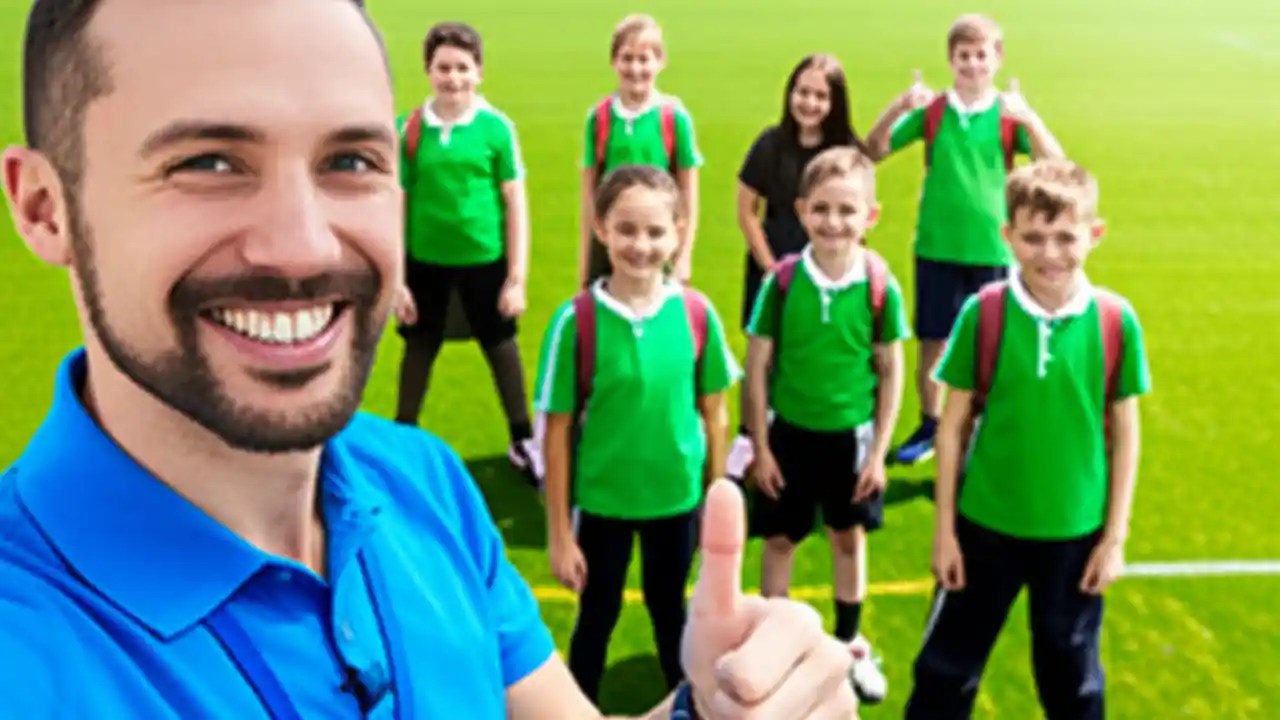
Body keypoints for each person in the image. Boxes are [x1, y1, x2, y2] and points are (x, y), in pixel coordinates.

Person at [0, 1, 862, 718]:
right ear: (46, 207)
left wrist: (705, 714)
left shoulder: (424, 483)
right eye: (209, 161)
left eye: (350, 160)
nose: (302, 246)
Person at [903, 159, 1152, 719]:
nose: (1050, 253)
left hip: (1076, 535)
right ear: (1008, 237)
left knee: (1074, 684)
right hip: (983, 527)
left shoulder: (1115, 321)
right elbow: (952, 427)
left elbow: (1125, 433)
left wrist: (1115, 536)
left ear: (1094, 234)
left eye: (1066, 237)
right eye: (1033, 238)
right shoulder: (985, 313)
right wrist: (944, 531)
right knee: (945, 672)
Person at [536, 165, 738, 704]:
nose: (640, 245)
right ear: (601, 228)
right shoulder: (576, 321)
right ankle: (574, 707)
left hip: (676, 500)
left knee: (672, 613)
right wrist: (558, 531)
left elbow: (715, 411)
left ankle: (683, 707)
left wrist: (715, 494)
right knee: (595, 616)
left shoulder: (697, 314)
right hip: (603, 503)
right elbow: (555, 433)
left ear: (678, 232)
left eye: (655, 232)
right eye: (626, 229)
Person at [742, 146, 910, 705]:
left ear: (870, 216)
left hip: (851, 439)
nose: (834, 222)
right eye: (822, 210)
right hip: (789, 435)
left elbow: (890, 369)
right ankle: (774, 647)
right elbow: (758, 364)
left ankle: (847, 644)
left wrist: (878, 451)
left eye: (847, 210)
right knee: (780, 541)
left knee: (846, 538)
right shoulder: (783, 282)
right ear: (801, 210)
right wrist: (760, 447)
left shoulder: (881, 284)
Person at [863, 13, 1066, 466]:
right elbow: (873, 152)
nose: (972, 65)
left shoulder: (1008, 117)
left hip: (992, 248)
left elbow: (1058, 165)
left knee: (990, 341)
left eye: (981, 55)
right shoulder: (934, 112)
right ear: (950, 60)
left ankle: (981, 427)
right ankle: (931, 423)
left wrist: (1029, 118)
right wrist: (899, 107)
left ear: (997, 59)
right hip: (937, 245)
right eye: (963, 56)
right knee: (933, 339)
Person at [393, 21, 542, 484]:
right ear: (428, 71)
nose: (452, 78)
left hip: (485, 259)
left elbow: (515, 201)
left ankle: (523, 438)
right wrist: (397, 278)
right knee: (419, 346)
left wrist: (516, 275)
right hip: (425, 262)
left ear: (478, 72)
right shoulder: (409, 130)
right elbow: (397, 202)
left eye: (462, 67)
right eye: (443, 68)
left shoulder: (496, 129)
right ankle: (403, 436)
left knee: (501, 345)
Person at [725, 52, 870, 484]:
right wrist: (771, 266)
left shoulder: (843, 153)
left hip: (825, 271)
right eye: (802, 92)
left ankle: (810, 435)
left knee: (812, 351)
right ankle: (750, 436)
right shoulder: (770, 144)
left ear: (836, 103)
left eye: (820, 96)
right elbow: (746, 209)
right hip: (773, 267)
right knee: (763, 356)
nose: (808, 102)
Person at [577, 13, 703, 287]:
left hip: (658, 233)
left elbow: (688, 194)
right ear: (614, 61)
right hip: (613, 234)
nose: (635, 68)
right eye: (627, 58)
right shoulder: (599, 118)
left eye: (644, 59)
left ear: (660, 62)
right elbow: (588, 194)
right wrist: (585, 263)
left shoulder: (674, 118)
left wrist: (684, 255)